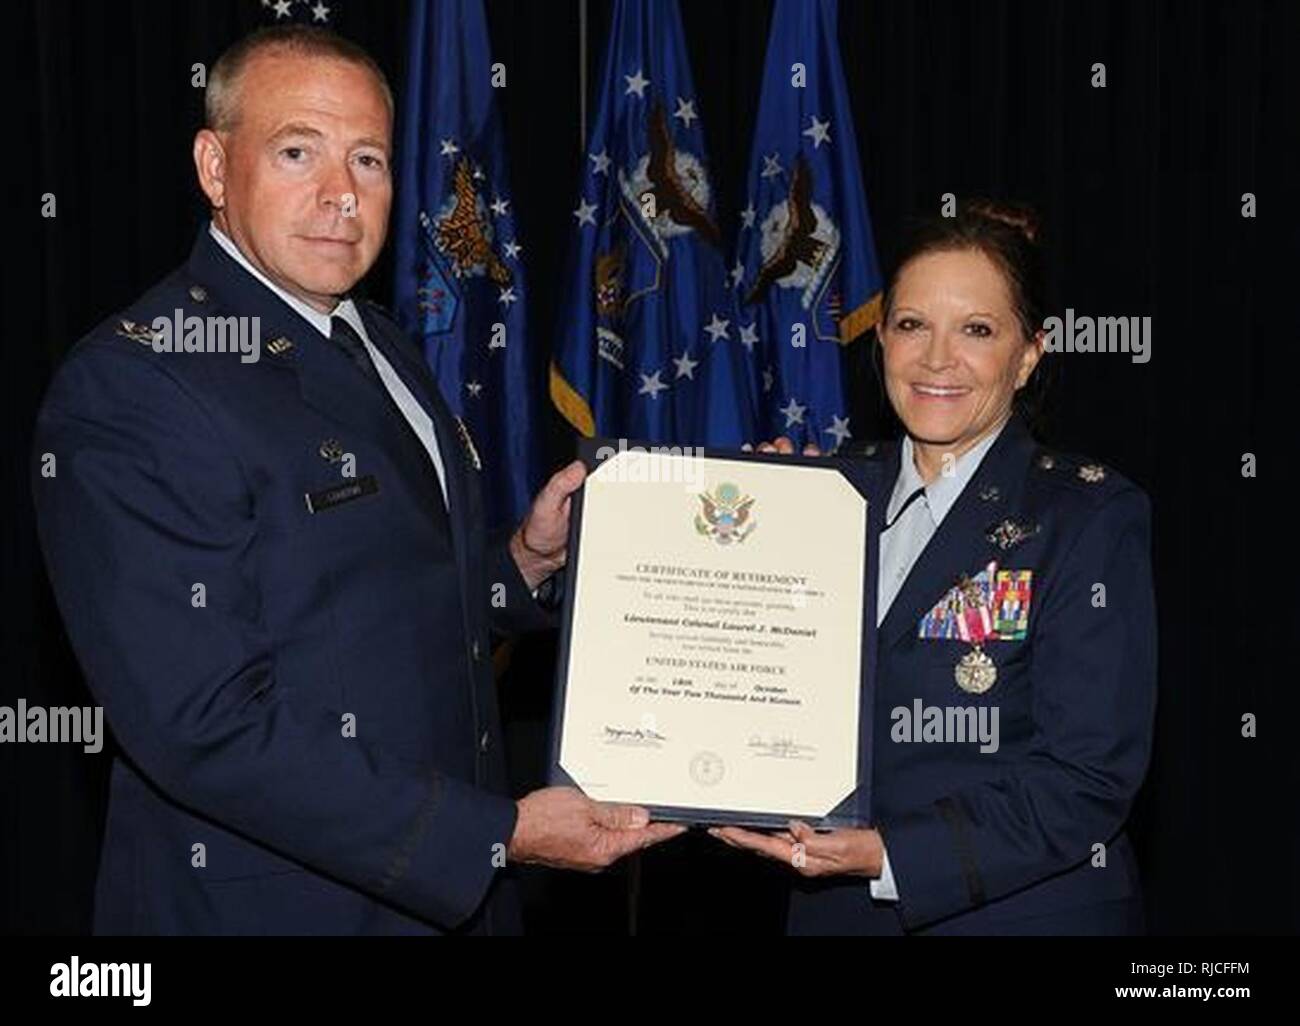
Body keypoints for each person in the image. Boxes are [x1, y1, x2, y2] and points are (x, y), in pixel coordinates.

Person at [32, 25, 681, 936]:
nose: (341, 195)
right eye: (298, 152)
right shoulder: (138, 382)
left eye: (368, 160)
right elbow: (204, 724)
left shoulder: (377, 342)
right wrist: (497, 836)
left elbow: (379, 606)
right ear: (215, 168)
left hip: (446, 900)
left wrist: (522, 564)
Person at [714, 202, 1157, 935]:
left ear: (1029, 354)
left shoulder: (1086, 517)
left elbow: (1088, 779)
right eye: (913, 324)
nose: (936, 359)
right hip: (831, 915)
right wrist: (744, 543)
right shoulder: (819, 493)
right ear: (882, 336)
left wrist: (891, 856)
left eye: (976, 330)